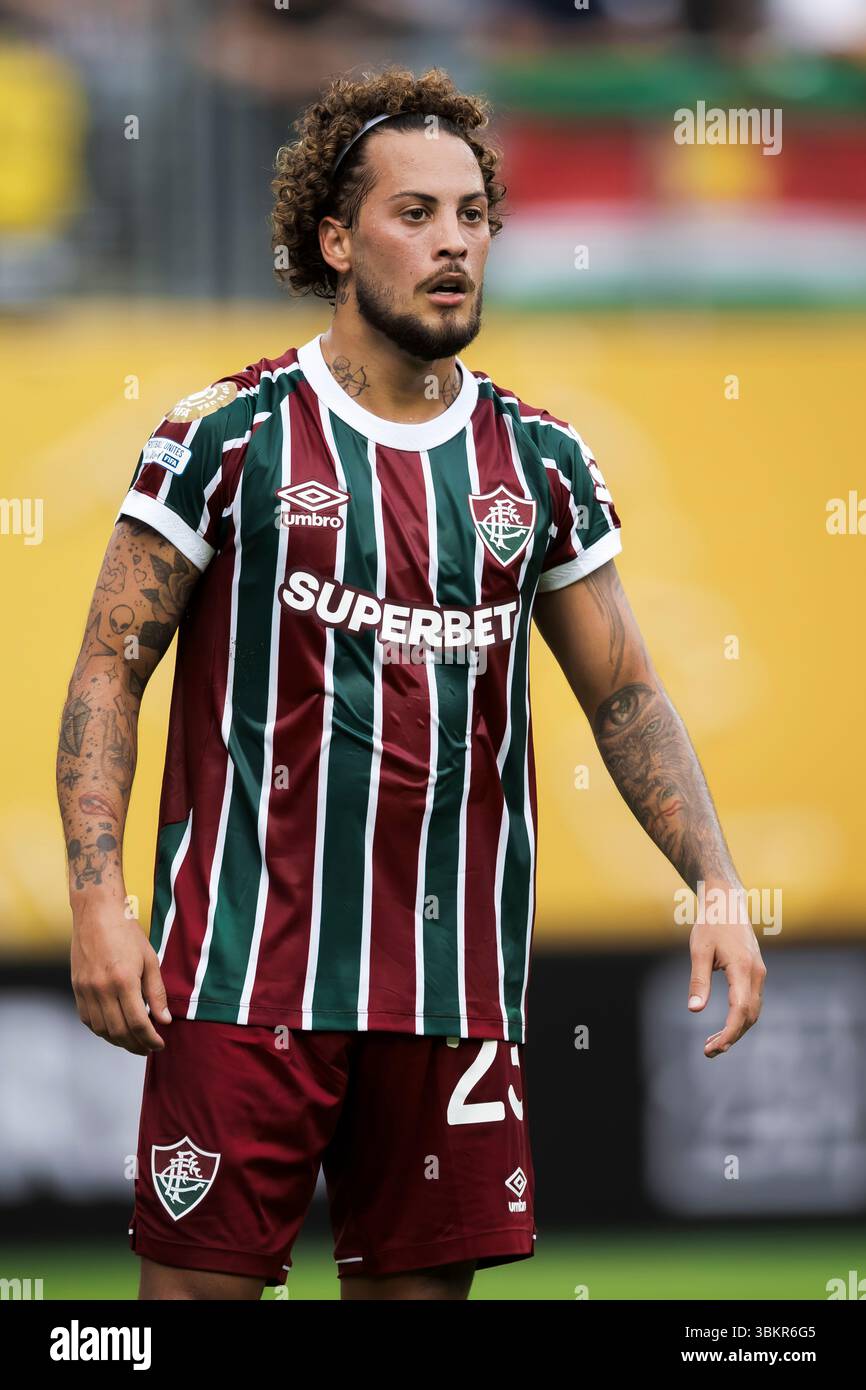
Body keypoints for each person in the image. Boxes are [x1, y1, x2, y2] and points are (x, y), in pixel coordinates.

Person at [56, 64, 766, 1302]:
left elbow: (628, 696)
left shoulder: (539, 463)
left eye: (472, 215)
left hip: (451, 996)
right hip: (240, 976)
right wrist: (98, 899)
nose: (453, 244)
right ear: (333, 238)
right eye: (414, 213)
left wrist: (710, 877)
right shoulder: (225, 436)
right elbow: (110, 673)